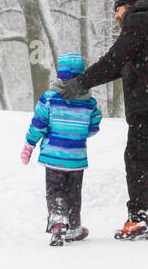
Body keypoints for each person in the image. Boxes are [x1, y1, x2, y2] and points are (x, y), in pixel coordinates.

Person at [54, 0, 148, 240]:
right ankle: (147, 218)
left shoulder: (138, 21)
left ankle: (138, 218)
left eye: (118, 10)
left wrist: (78, 84)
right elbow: (120, 66)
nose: (116, 17)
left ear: (130, 6)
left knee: (137, 160)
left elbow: (113, 60)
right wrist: (85, 82)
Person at [21, 53, 102, 246]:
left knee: (55, 190)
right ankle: (74, 227)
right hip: (76, 159)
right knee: (74, 193)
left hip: (54, 157)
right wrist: (80, 134)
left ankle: (58, 223)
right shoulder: (89, 103)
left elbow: (38, 124)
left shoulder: (49, 98)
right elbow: (95, 124)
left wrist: (29, 144)